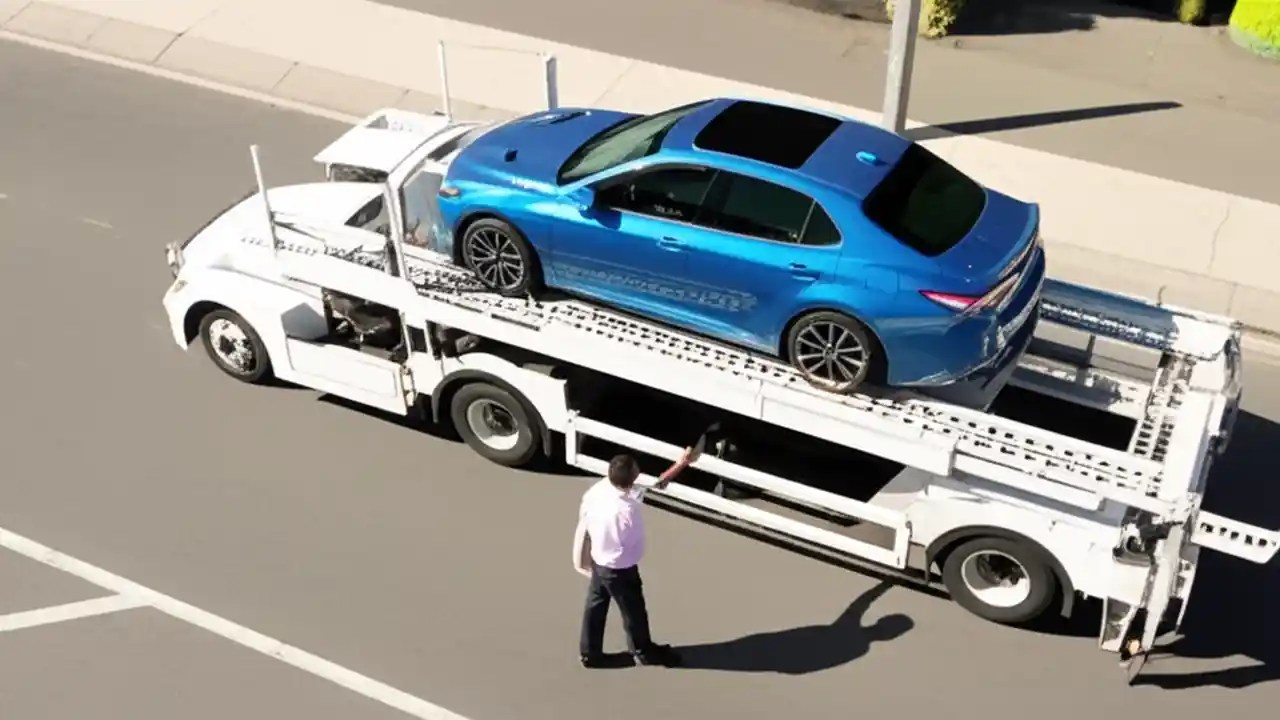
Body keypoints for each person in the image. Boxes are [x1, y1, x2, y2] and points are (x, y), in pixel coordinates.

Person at [574, 446, 701, 668]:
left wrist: (682, 463)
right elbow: (653, 489)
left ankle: (589, 653)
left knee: (595, 606)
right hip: (619, 568)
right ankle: (643, 651)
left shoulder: (599, 490)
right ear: (630, 480)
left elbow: (655, 484)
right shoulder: (626, 510)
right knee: (633, 610)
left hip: (600, 560)